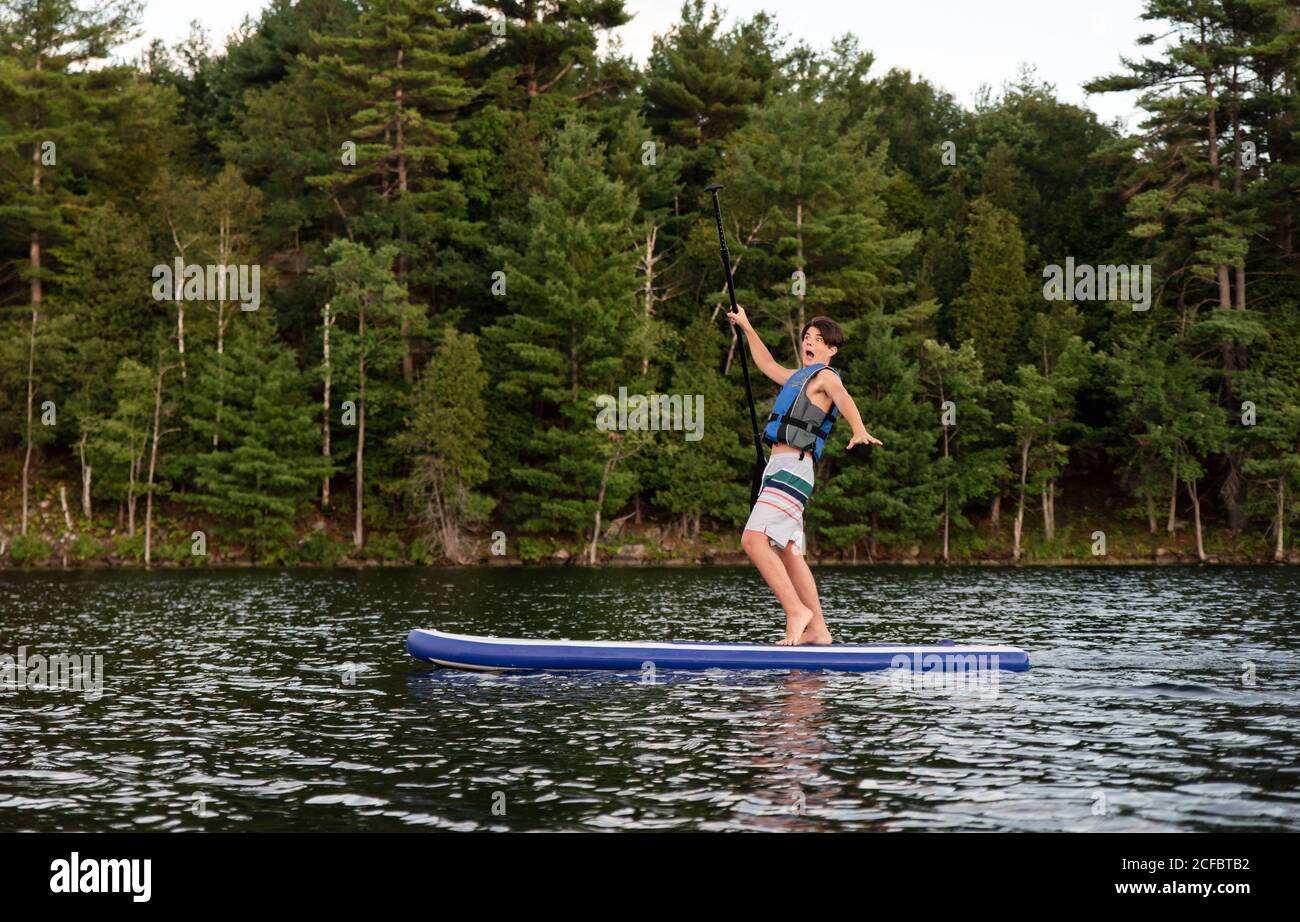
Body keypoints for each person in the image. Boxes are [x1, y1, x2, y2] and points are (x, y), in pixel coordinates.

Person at [727, 308, 882, 645]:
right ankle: (819, 630)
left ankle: (796, 611)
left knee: (753, 540)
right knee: (789, 551)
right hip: (781, 468)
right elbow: (767, 365)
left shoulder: (827, 377)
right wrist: (748, 326)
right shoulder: (800, 377)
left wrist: (859, 429)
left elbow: (844, 399)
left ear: (831, 350)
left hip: (793, 468)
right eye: (807, 338)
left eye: (818, 340)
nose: (809, 343)